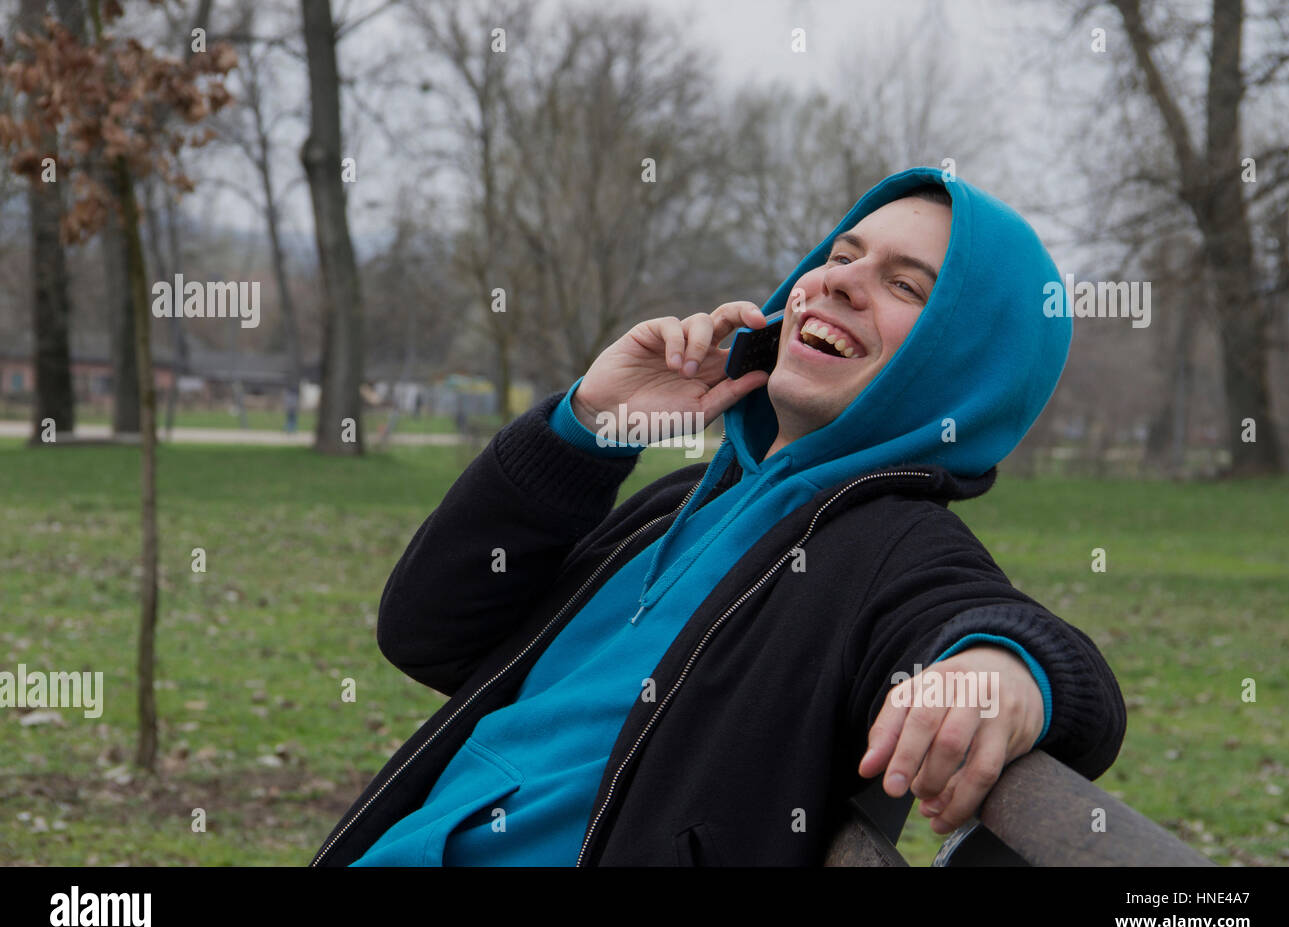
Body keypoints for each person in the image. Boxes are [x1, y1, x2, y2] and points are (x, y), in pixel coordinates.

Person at [311, 167, 1126, 867]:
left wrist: (1007, 668)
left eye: (905, 285)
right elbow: (428, 632)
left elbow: (1012, 639)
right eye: (842, 255)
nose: (839, 280)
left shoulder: (890, 547)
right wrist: (590, 428)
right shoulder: (678, 501)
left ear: (966, 368)